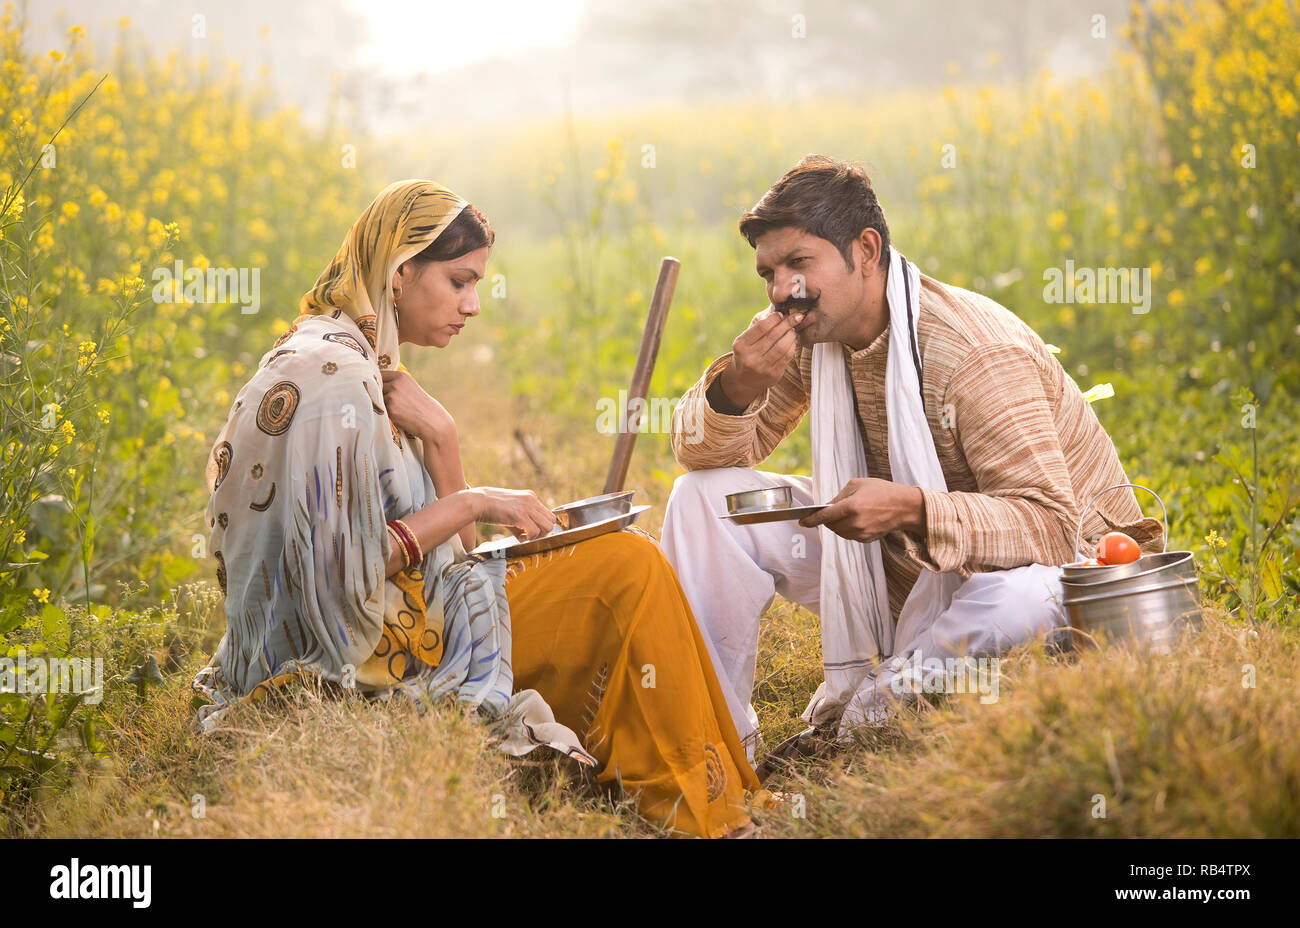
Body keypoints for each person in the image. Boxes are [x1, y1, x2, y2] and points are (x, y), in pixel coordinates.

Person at [191, 179, 759, 838]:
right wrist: (475, 501)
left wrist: (443, 439)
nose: (474, 306)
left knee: (622, 563)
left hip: (414, 620)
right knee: (626, 572)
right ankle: (705, 813)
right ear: (401, 272)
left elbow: (446, 561)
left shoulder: (346, 355)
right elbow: (345, 576)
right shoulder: (335, 379)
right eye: (460, 282)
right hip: (364, 660)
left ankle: (692, 787)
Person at [662, 155, 1164, 758]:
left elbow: (1053, 530)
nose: (780, 291)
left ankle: (866, 720)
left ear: (866, 251)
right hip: (900, 562)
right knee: (700, 502)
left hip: (1041, 583)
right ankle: (712, 743)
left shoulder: (973, 352)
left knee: (1016, 597)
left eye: (799, 263)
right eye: (768, 273)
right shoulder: (808, 329)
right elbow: (698, 456)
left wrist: (913, 509)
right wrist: (737, 385)